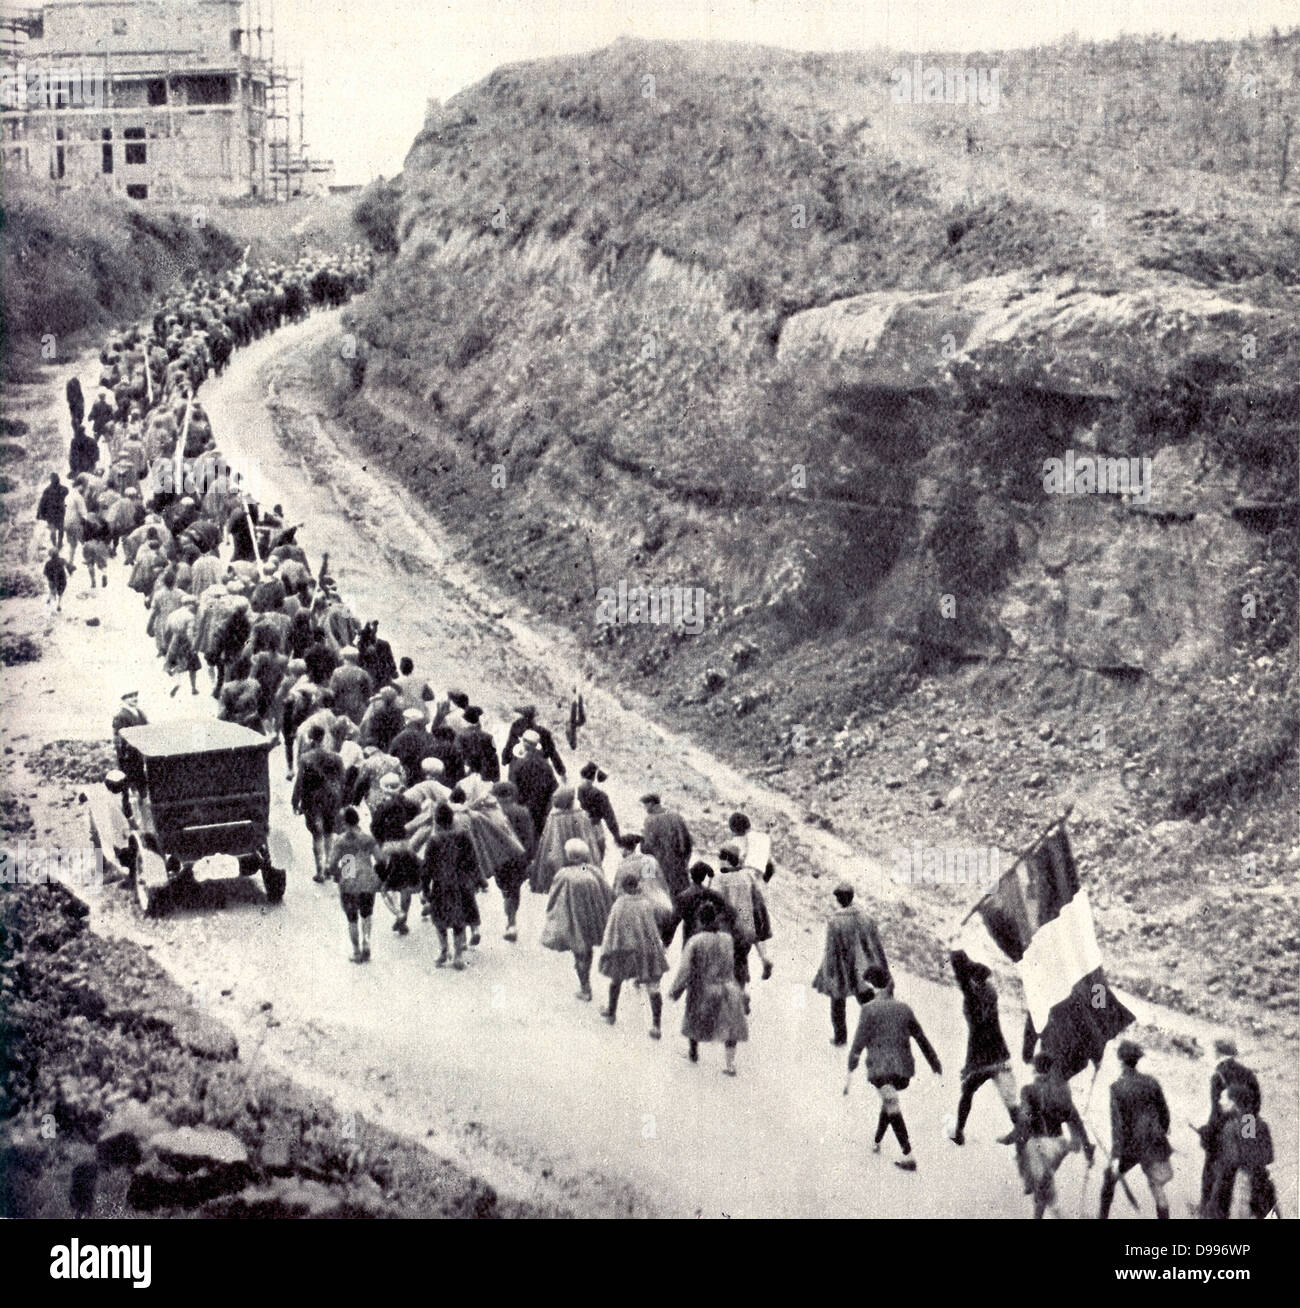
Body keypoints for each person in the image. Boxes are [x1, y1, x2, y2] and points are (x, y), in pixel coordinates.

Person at [846, 983, 943, 1172]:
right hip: (902, 1070)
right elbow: (920, 1037)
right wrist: (934, 1062)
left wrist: (851, 1066)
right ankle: (877, 1140)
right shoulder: (904, 1009)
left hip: (880, 1068)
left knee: (890, 1103)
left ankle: (908, 1155)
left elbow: (858, 1043)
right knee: (890, 1102)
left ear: (875, 988)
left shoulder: (869, 1010)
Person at [667, 901, 748, 1075]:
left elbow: (685, 970)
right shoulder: (727, 939)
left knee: (693, 1020)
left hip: (703, 988)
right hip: (728, 987)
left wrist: (676, 991)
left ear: (699, 921)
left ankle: (693, 1052)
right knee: (731, 1028)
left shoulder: (695, 941)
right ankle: (730, 1064)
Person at [1010, 1053, 1095, 1218]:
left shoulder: (1028, 1090)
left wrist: (1013, 1139)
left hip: (1037, 1145)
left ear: (1034, 1069)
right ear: (1050, 1069)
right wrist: (1087, 1148)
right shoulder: (1062, 1091)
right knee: (1045, 1182)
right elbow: (1075, 1119)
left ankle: (1051, 1211)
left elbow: (1024, 1121)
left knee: (1043, 1187)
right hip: (1058, 1144)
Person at [947, 949, 1017, 1145]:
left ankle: (959, 1132)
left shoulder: (973, 997)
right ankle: (1021, 1132)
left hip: (981, 1057)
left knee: (967, 1092)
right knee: (1010, 1100)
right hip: (1000, 1053)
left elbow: (963, 978)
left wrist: (968, 1064)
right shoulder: (990, 992)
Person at [1100, 1040, 1173, 1220]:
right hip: (1153, 1142)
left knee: (1109, 1178)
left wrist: (1116, 1156)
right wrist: (1161, 1133)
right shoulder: (1152, 1082)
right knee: (1157, 1187)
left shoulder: (1117, 1088)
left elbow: (1117, 1127)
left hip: (1131, 1147)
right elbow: (1164, 1113)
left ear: (1121, 1062)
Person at [812, 882, 891, 1047]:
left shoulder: (835, 921)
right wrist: (883, 967)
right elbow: (876, 945)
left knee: (837, 1003)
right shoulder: (866, 917)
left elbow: (831, 950)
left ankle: (840, 1038)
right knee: (866, 998)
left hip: (842, 969)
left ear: (840, 899)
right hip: (861, 968)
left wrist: (829, 972)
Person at [540, 838, 614, 1002]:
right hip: (592, 918)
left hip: (573, 918)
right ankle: (585, 977)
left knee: (579, 953)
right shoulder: (594, 871)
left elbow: (553, 898)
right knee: (587, 951)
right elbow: (607, 893)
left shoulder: (564, 875)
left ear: (570, 856)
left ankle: (585, 987)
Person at [1196, 1037, 1262, 1218]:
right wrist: (1246, 1134)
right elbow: (1254, 1107)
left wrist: (1207, 1133)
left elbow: (1217, 1110)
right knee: (1231, 1175)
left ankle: (1206, 1211)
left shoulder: (1218, 1075)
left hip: (1223, 1133)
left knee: (1210, 1172)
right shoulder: (1248, 1074)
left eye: (1210, 1050)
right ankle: (1221, 1211)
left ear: (1217, 1052)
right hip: (1242, 1130)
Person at [599, 871, 670, 1038]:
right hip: (645, 950)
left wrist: (607, 950)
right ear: (638, 885)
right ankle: (656, 1025)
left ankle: (611, 1013)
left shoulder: (619, 904)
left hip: (624, 950)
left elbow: (611, 929)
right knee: (653, 987)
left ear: (623, 887)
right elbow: (653, 930)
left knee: (616, 981)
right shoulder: (646, 904)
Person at [421, 801, 483, 969]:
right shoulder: (463, 836)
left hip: (441, 885)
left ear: (437, 821)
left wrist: (425, 889)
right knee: (459, 920)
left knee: (439, 920)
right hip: (461, 883)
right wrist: (477, 880)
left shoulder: (433, 841)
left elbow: (426, 867)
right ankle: (458, 956)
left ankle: (443, 951)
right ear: (452, 819)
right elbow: (473, 860)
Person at [1204, 1082, 1276, 1220]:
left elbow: (1237, 1157)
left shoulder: (1239, 1124)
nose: (1219, 1101)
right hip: (1262, 1182)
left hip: (1241, 1184)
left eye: (1223, 1098)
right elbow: (1268, 1156)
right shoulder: (1255, 1121)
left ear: (1234, 1102)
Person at [714, 842, 773, 1005]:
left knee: (727, 965)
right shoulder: (748, 877)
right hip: (747, 930)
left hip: (728, 931)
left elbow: (715, 906)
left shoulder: (720, 880)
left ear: (726, 860)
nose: (718, 861)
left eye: (720, 857)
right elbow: (758, 902)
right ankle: (742, 990)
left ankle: (738, 995)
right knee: (741, 960)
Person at [327, 806, 382, 963]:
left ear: (344, 823)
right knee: (366, 915)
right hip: (366, 879)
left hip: (348, 876)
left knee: (352, 919)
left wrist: (338, 875)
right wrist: (376, 877)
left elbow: (331, 864)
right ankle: (366, 942)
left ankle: (356, 952)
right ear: (358, 821)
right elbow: (381, 859)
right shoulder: (368, 839)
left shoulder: (341, 841)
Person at [291, 723, 345, 881]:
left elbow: (300, 782)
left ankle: (320, 871)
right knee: (329, 832)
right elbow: (343, 780)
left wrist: (295, 802)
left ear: (310, 738)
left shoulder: (306, 758)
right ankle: (329, 865)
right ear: (323, 738)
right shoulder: (336, 757)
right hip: (332, 798)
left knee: (317, 835)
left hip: (312, 799)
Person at [530, 785, 602, 894]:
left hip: (561, 864)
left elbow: (548, 844)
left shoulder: (554, 818)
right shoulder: (581, 815)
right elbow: (589, 840)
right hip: (582, 861)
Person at [492, 781, 536, 942]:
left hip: (499, 858)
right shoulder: (522, 812)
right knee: (514, 889)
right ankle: (511, 921)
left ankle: (511, 921)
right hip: (519, 858)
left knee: (505, 889)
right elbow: (529, 837)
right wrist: (530, 857)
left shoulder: (493, 813)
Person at [613, 834, 675, 946]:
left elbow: (618, 891)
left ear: (625, 849)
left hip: (640, 909)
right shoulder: (650, 860)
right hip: (662, 905)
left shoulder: (625, 865)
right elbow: (658, 883)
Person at [639, 793, 692, 902]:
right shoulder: (676, 816)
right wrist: (684, 861)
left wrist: (641, 842)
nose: (644, 809)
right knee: (684, 897)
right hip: (679, 866)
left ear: (651, 804)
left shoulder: (650, 821)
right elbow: (688, 842)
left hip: (662, 867)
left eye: (645, 805)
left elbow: (647, 848)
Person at [508, 733, 558, 840]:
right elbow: (554, 788)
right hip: (541, 811)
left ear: (524, 744)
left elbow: (512, 789)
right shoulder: (546, 765)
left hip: (522, 809)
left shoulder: (519, 765)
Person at [673, 861, 735, 946]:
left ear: (691, 875)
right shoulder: (712, 895)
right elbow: (730, 911)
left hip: (690, 937)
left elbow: (674, 922)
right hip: (709, 938)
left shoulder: (683, 897)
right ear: (704, 877)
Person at [501, 704, 566, 777]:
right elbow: (552, 753)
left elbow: (509, 746)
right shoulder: (543, 732)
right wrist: (561, 772)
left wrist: (504, 760)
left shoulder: (516, 727)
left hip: (517, 769)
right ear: (534, 717)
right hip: (537, 769)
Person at [577, 762, 620, 857]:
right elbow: (609, 817)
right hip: (595, 828)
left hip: (579, 826)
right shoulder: (600, 795)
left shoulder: (579, 789)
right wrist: (617, 836)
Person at [728, 811, 776, 882]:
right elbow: (771, 865)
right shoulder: (765, 837)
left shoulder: (744, 839)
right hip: (760, 875)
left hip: (747, 872)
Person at [110, 690, 147, 770]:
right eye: (131, 696)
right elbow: (118, 740)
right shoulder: (120, 716)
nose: (134, 699)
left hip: (143, 755)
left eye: (135, 696)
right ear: (124, 699)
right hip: (129, 758)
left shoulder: (140, 713)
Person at [37, 473, 68, 552]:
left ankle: (55, 545)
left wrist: (39, 513)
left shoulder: (47, 490)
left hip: (51, 514)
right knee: (60, 529)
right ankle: (59, 544)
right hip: (60, 512)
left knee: (53, 530)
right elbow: (67, 492)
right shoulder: (63, 489)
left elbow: (42, 503)